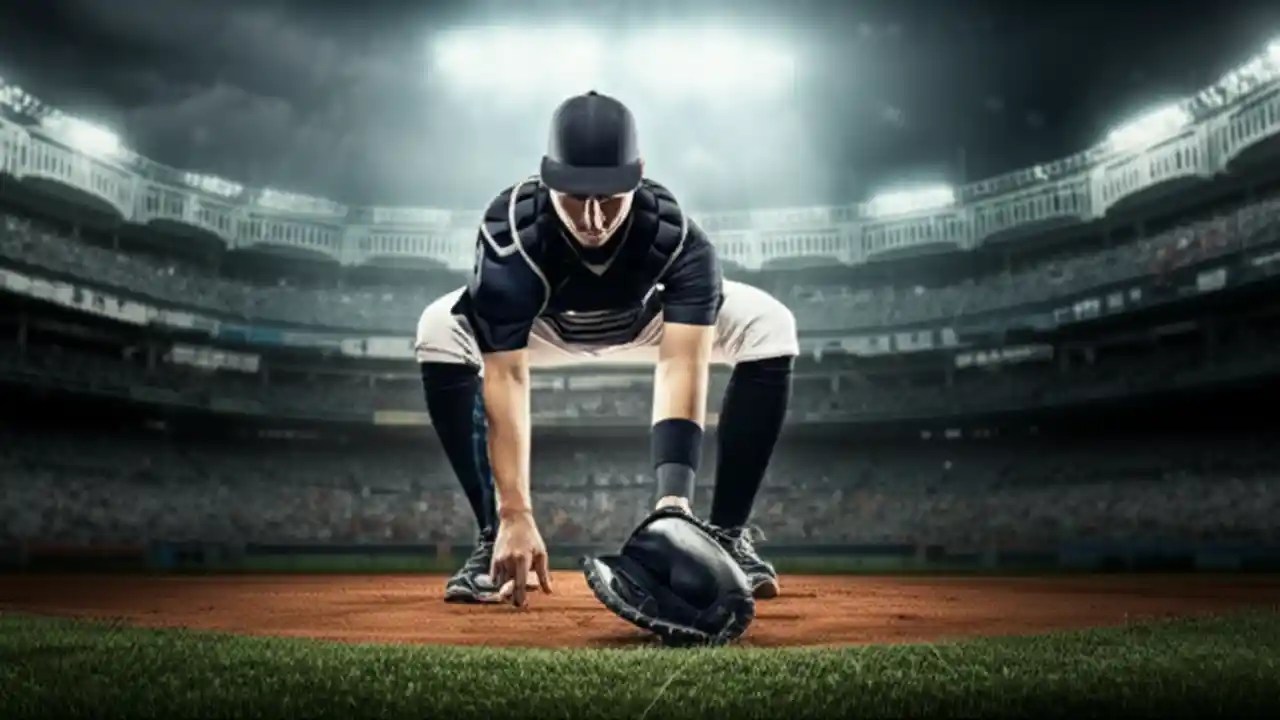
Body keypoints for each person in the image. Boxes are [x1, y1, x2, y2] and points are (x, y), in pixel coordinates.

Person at [415, 90, 798, 607]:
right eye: (575, 195)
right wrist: (515, 512)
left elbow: (681, 367)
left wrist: (673, 508)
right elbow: (506, 377)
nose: (593, 218)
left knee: (770, 323)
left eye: (611, 197)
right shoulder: (511, 237)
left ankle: (726, 535)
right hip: (543, 331)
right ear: (547, 177)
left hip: (646, 327)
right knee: (439, 327)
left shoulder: (679, 240)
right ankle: (494, 543)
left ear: (638, 175)